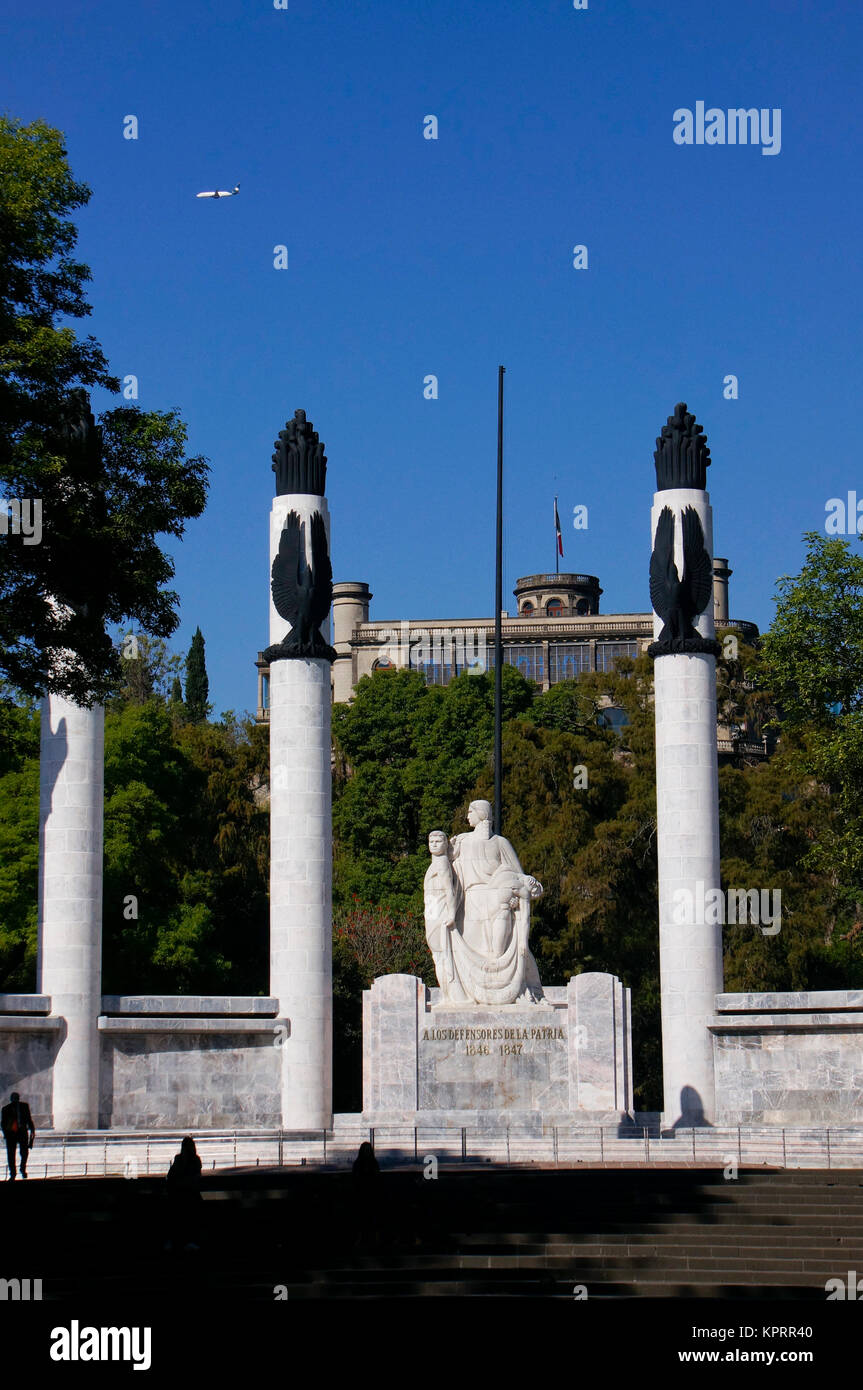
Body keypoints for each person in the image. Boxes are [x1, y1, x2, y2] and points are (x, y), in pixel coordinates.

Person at [165, 1136, 203, 1250]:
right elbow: (195, 1177)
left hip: (179, 1195)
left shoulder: (179, 1159)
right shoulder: (195, 1160)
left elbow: (171, 1176)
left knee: (177, 1216)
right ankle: (191, 1240)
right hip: (190, 1195)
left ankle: (174, 1240)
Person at [1, 1092, 35, 1181]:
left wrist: (32, 1130)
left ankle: (22, 1168)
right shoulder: (6, 1109)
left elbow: (28, 1118)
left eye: (17, 1098)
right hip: (11, 1134)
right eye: (14, 1098)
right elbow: (3, 1123)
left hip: (22, 1132)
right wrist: (5, 1134)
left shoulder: (24, 1106)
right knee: (11, 1155)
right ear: (11, 1099)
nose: (15, 1100)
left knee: (24, 1153)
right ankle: (13, 1173)